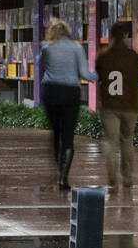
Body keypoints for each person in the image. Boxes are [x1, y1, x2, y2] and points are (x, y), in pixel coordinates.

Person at [39, 17, 97, 190]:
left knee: (56, 133)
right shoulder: (76, 47)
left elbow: (42, 67)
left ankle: (59, 170)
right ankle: (64, 177)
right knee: (68, 136)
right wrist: (99, 76)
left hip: (51, 91)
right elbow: (85, 74)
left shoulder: (45, 47)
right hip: (71, 93)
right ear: (67, 32)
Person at [95, 21, 138, 189]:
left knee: (110, 142)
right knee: (127, 141)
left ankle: (112, 179)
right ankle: (128, 178)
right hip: (130, 105)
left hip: (110, 106)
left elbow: (99, 75)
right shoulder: (134, 56)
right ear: (126, 35)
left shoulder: (103, 55)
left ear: (111, 35)